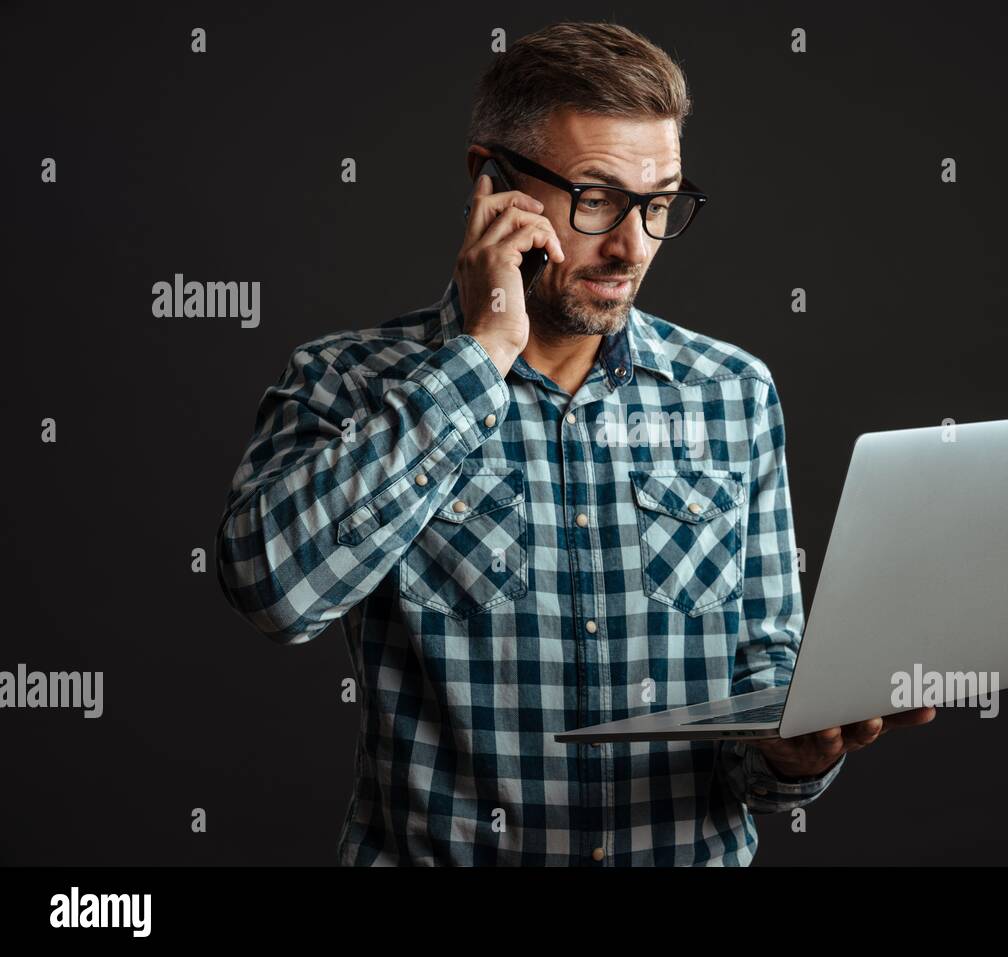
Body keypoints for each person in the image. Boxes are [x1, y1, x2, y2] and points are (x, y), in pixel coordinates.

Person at [215, 20, 935, 866]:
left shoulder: (732, 393)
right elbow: (273, 590)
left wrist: (791, 754)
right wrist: (479, 356)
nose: (631, 247)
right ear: (491, 182)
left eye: (660, 203)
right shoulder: (349, 382)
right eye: (597, 199)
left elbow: (761, 684)